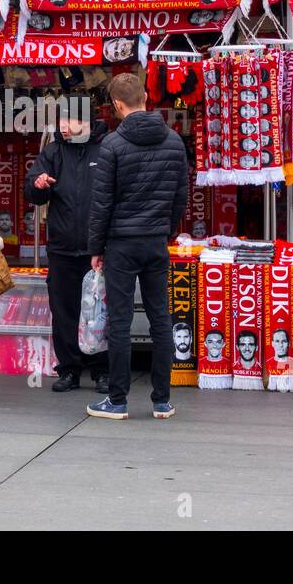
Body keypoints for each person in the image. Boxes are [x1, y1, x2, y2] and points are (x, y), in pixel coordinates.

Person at [86, 73, 189, 420]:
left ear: (116, 105)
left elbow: (102, 203)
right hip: (156, 242)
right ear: (145, 96)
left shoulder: (112, 145)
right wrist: (167, 231)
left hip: (120, 244)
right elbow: (180, 197)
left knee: (120, 321)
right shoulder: (174, 141)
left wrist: (96, 246)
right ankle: (162, 400)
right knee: (161, 318)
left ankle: (117, 400)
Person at [24, 105, 109, 394]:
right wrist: (39, 185)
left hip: (98, 249)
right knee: (63, 311)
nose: (62, 126)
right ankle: (69, 370)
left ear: (85, 122)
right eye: (60, 120)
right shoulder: (53, 152)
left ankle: (102, 371)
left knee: (99, 312)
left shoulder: (106, 148)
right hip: (61, 248)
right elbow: (31, 192)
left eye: (68, 120)